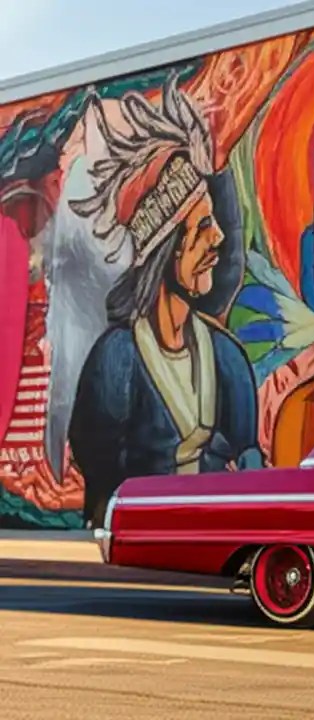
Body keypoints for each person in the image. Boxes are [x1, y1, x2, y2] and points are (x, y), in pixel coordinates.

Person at [66, 79, 261, 527]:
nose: (218, 239)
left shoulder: (226, 357)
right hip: (147, 541)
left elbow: (251, 459)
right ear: (165, 248)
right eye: (202, 228)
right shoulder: (117, 358)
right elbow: (98, 466)